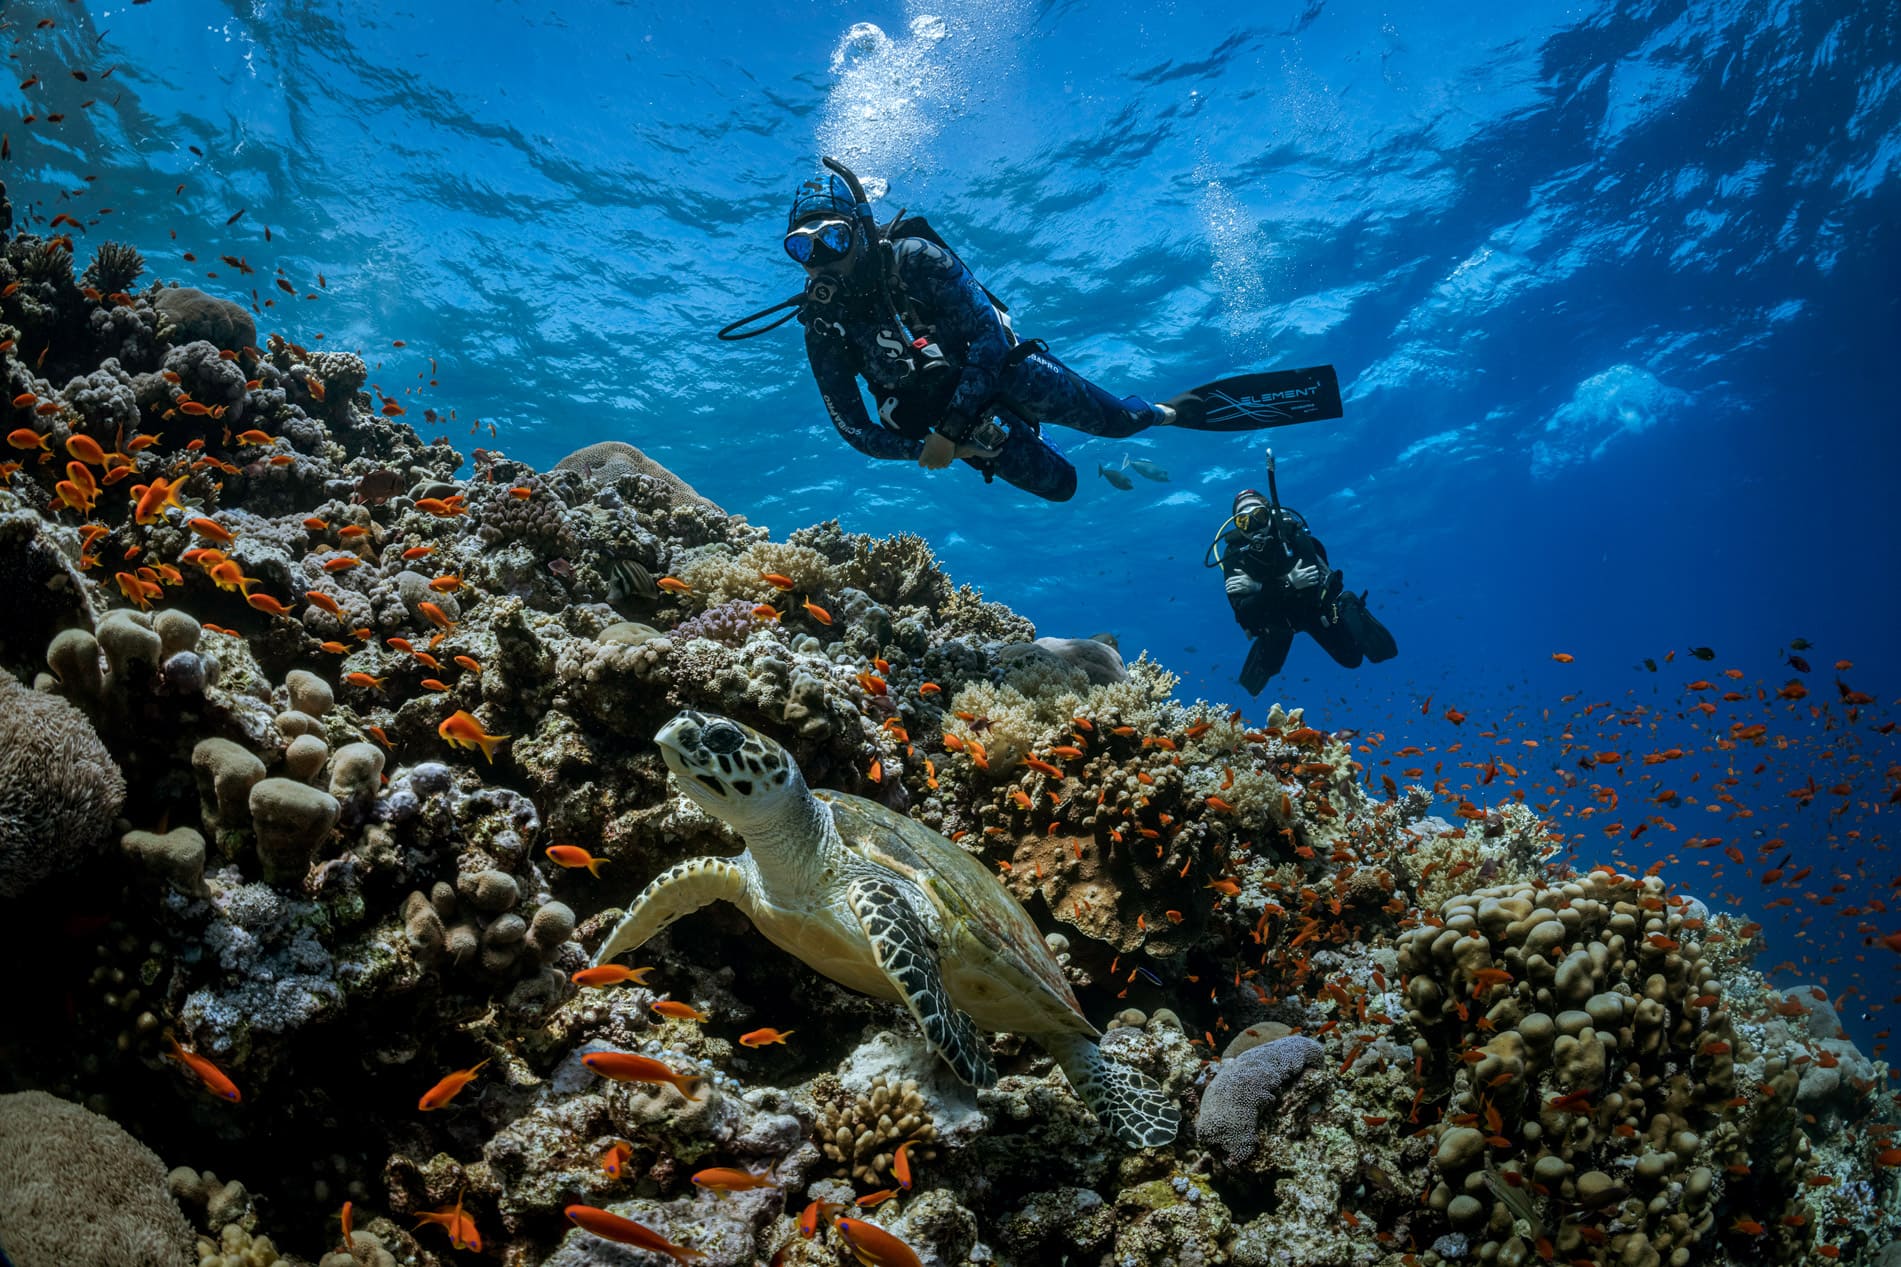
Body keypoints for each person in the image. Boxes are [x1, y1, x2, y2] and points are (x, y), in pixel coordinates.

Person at [773, 163, 1185, 502]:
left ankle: (1165, 412)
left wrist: (949, 431)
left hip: (1005, 370)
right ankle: (1032, 437)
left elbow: (988, 334)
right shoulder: (824, 328)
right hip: (952, 425)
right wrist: (928, 448)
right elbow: (853, 428)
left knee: (1121, 422)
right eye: (802, 248)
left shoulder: (915, 258)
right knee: (1063, 486)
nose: (821, 259)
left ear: (859, 229)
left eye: (832, 237)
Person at [1210, 449, 1397, 694]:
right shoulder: (1235, 553)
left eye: (1258, 515)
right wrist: (1286, 584)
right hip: (1278, 619)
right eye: (1244, 521)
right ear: (1237, 527)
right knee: (1267, 664)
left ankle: (1348, 605)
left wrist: (1258, 589)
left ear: (1271, 514)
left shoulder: (1291, 533)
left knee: (1352, 660)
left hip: (1311, 609)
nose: (1253, 526)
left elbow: (1309, 587)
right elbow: (1242, 611)